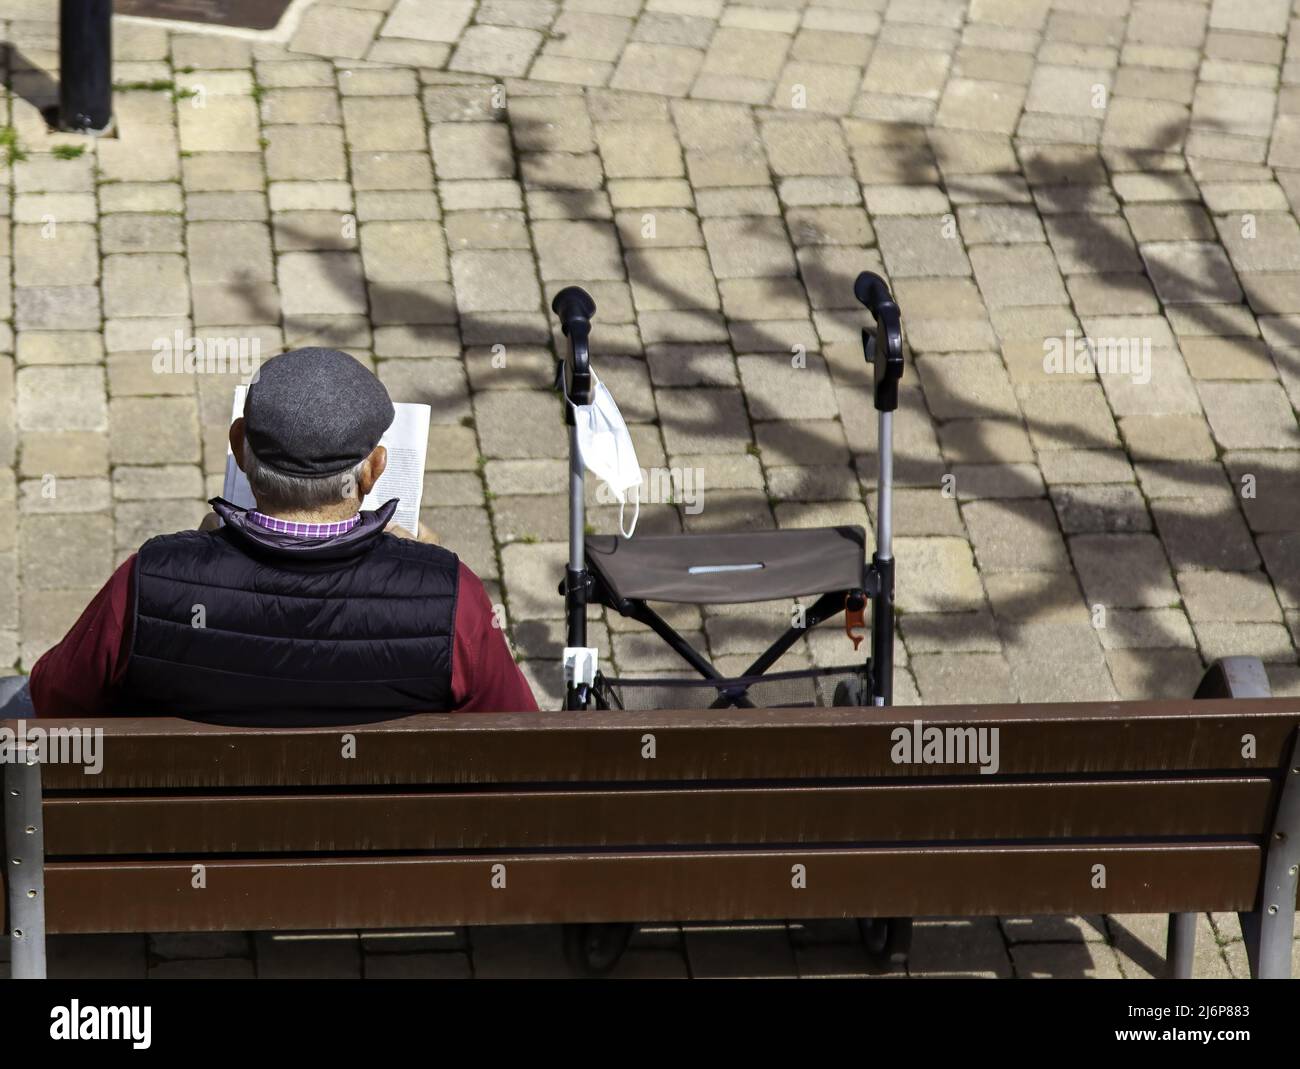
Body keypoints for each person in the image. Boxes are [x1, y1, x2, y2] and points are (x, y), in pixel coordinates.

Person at [28, 347, 538, 718]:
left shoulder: (150, 581)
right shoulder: (453, 601)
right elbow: (515, 730)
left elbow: (53, 696)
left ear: (239, 446)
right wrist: (421, 571)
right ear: (373, 471)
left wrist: (195, 557)